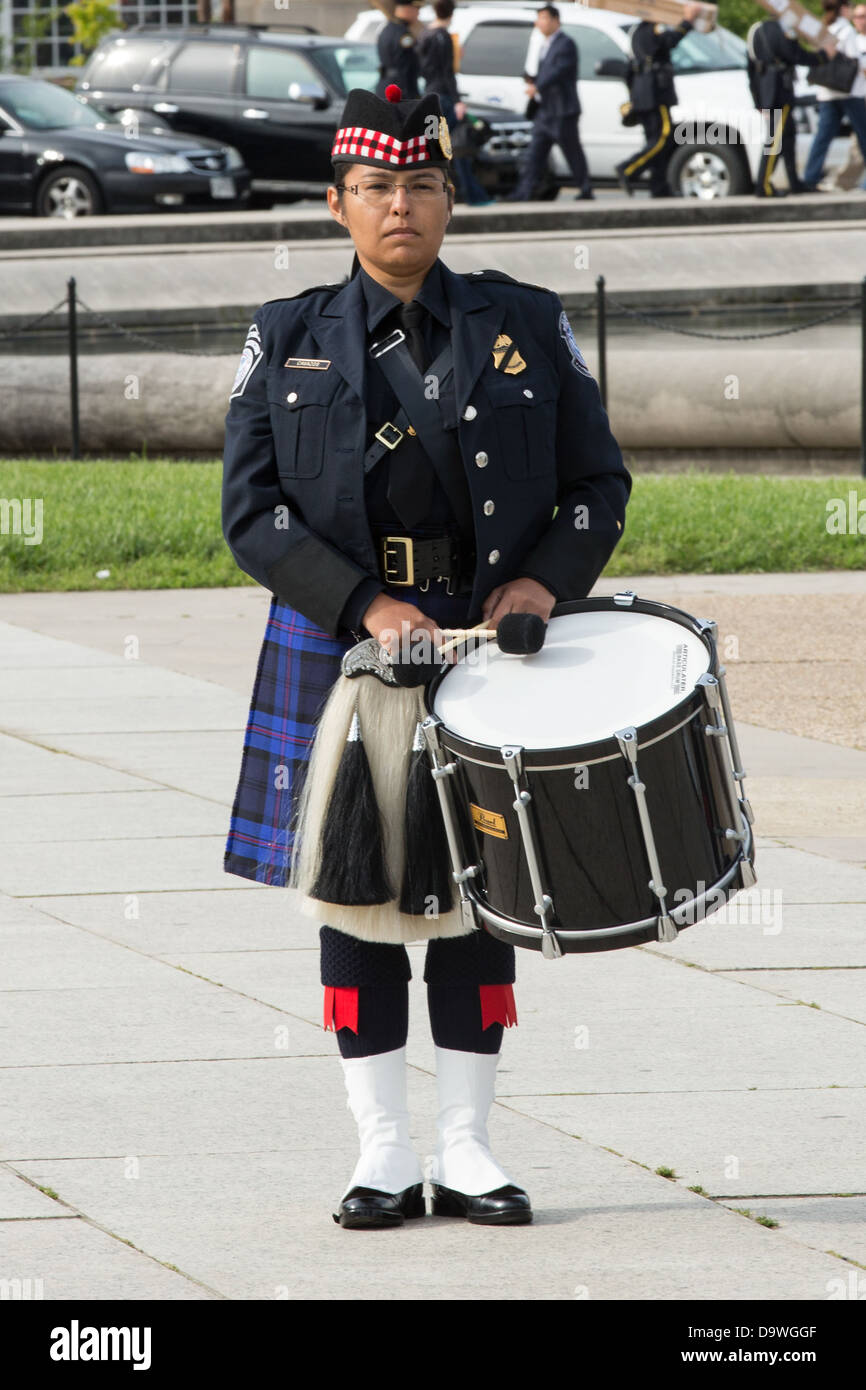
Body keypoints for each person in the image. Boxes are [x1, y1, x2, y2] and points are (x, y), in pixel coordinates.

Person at [221, 84, 631, 1230]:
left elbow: (597, 485)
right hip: (343, 650)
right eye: (375, 188)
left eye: (421, 185)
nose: (398, 205)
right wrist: (360, 601)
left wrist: (542, 581)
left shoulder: (526, 322)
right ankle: (384, 1151)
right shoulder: (286, 334)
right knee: (356, 905)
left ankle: (467, 1145)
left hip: (489, 650)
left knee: (484, 902)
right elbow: (251, 514)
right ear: (337, 202)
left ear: (450, 198)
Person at [506, 4, 593, 202]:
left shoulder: (565, 43)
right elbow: (545, 73)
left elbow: (558, 71)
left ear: (556, 21)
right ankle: (523, 192)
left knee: (572, 152)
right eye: (539, 19)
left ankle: (585, 189)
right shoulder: (543, 44)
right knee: (535, 153)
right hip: (545, 110)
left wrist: (538, 86)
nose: (540, 23)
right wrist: (531, 79)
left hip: (562, 110)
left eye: (544, 18)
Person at [615, 5, 704, 198]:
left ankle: (659, 187)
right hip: (655, 93)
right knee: (663, 138)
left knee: (655, 141)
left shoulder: (635, 31)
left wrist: (634, 96)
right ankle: (629, 169)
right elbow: (670, 41)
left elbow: (629, 70)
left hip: (643, 93)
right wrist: (687, 21)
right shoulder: (654, 28)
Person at [416, 0, 493, 205]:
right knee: (456, 147)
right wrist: (458, 101)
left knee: (433, 146)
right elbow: (447, 73)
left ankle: (434, 190)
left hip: (429, 94)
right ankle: (472, 194)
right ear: (452, 13)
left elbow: (423, 68)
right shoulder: (443, 37)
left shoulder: (424, 35)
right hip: (444, 96)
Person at [747, 15, 830, 197]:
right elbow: (795, 54)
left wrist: (758, 100)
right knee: (775, 139)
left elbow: (751, 68)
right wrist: (823, 56)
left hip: (766, 90)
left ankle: (794, 182)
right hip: (779, 91)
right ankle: (763, 186)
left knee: (788, 136)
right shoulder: (783, 28)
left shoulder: (756, 28)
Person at [802, 0, 866, 191]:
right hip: (850, 92)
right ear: (844, 9)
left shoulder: (825, 28)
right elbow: (856, 62)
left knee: (823, 137)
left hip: (827, 92)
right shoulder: (846, 31)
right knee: (864, 137)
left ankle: (810, 178)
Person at [376, 0, 422, 101]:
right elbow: (408, 66)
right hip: (400, 91)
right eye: (417, 9)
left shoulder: (386, 29)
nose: (418, 13)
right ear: (406, 9)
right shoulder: (404, 34)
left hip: (385, 88)